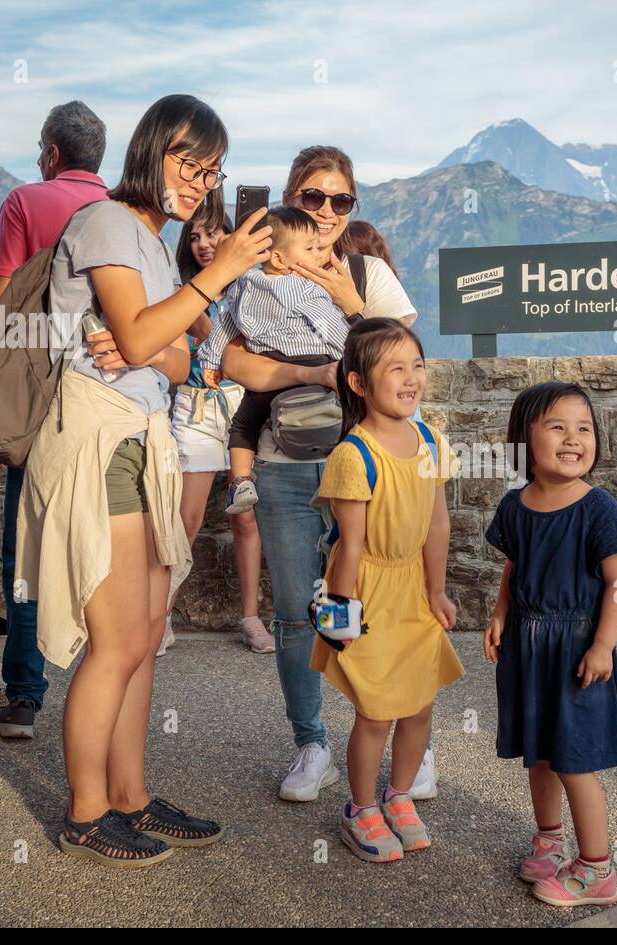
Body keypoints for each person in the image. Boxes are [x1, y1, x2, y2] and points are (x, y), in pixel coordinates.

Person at [16, 94, 271, 866]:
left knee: (146, 637)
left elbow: (173, 355)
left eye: (213, 169)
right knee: (117, 639)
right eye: (189, 162)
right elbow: (137, 336)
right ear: (152, 148)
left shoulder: (155, 246)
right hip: (97, 441)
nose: (200, 181)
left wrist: (150, 341)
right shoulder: (105, 223)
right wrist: (214, 275)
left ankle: (130, 794)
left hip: (142, 440)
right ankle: (87, 811)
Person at [216, 146, 433, 803]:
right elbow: (236, 366)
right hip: (285, 469)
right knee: (297, 614)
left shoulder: (369, 273)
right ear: (292, 198)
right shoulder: (252, 274)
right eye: (314, 197)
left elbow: (402, 367)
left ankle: (410, 744)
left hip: (369, 469)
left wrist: (346, 295)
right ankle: (311, 744)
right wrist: (312, 372)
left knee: (391, 604)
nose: (328, 212)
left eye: (342, 200)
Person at [483, 381, 617, 908]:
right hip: (528, 647)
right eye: (557, 427)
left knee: (575, 760)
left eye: (584, 428)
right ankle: (549, 842)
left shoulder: (598, 508)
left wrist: (603, 645)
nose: (574, 438)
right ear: (524, 439)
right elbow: (514, 567)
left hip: (577, 649)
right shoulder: (515, 506)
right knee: (541, 755)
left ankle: (597, 869)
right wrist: (501, 613)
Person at [310, 319, 463, 862]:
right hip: (368, 592)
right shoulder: (355, 454)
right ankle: (359, 807)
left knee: (418, 704)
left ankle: (397, 796)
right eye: (395, 368)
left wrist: (437, 590)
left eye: (417, 365)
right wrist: (339, 618)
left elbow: (438, 524)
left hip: (413, 593)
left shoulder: (430, 440)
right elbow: (348, 547)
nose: (411, 378)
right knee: (376, 710)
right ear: (358, 383)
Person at [0, 100, 109, 740]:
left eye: (40, 147)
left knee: (24, 547)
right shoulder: (121, 212)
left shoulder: (24, 202)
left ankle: (26, 696)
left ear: (52, 153)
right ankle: (103, 678)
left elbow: (1, 305)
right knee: (103, 541)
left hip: (38, 398)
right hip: (107, 396)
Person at [162, 210, 272, 655]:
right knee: (185, 519)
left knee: (244, 515)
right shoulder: (181, 294)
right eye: (195, 236)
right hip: (196, 408)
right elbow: (176, 360)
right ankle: (161, 616)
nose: (205, 243)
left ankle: (251, 619)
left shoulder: (255, 288)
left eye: (214, 233)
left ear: (233, 236)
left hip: (243, 406)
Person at [198, 206, 349, 514]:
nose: (318, 253)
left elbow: (226, 326)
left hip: (267, 368)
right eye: (310, 248)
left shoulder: (242, 285)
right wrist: (349, 356)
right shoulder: (305, 288)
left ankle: (241, 481)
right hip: (313, 360)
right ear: (280, 259)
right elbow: (328, 325)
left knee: (243, 424)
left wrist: (211, 360)